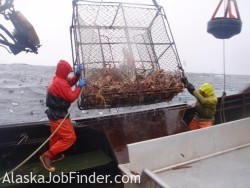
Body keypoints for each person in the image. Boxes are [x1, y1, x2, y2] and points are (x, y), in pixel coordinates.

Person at [39, 60, 86, 172]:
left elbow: (69, 82)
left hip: (53, 113)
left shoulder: (59, 78)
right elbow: (71, 97)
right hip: (58, 115)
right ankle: (47, 156)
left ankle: (54, 155)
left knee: (56, 136)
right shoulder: (59, 82)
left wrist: (77, 75)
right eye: (68, 72)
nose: (69, 74)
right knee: (70, 138)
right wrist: (79, 87)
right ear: (64, 71)